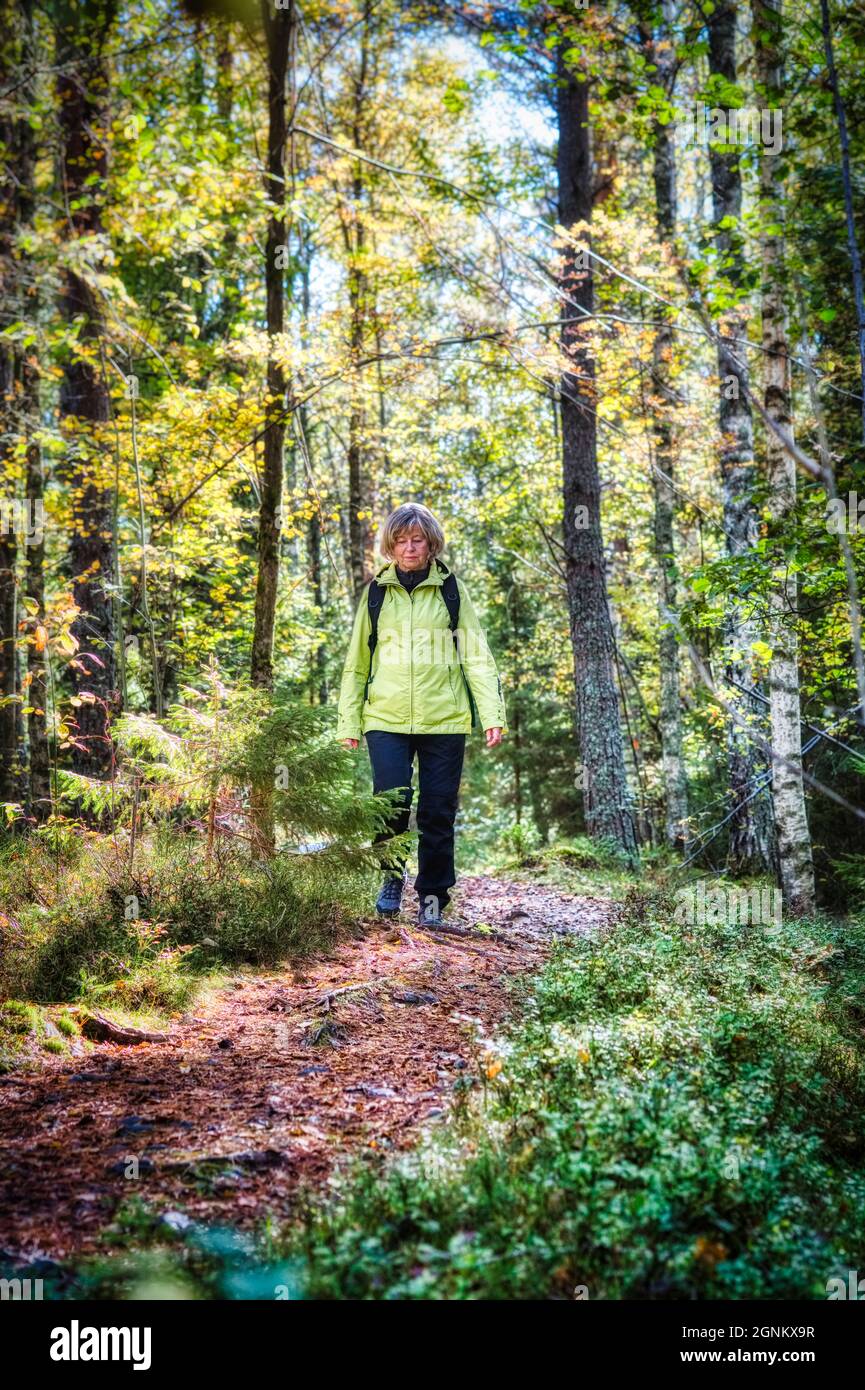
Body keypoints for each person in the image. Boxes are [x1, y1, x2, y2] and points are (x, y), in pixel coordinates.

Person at [335, 503, 507, 927]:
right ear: (389, 545)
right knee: (390, 804)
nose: (409, 548)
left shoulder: (451, 590)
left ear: (431, 543)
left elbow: (476, 655)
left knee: (437, 812)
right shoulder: (377, 591)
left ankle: (432, 896)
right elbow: (357, 660)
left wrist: (491, 713)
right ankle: (390, 878)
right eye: (400, 541)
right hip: (385, 718)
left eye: (417, 540)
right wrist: (349, 720)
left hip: (444, 718)